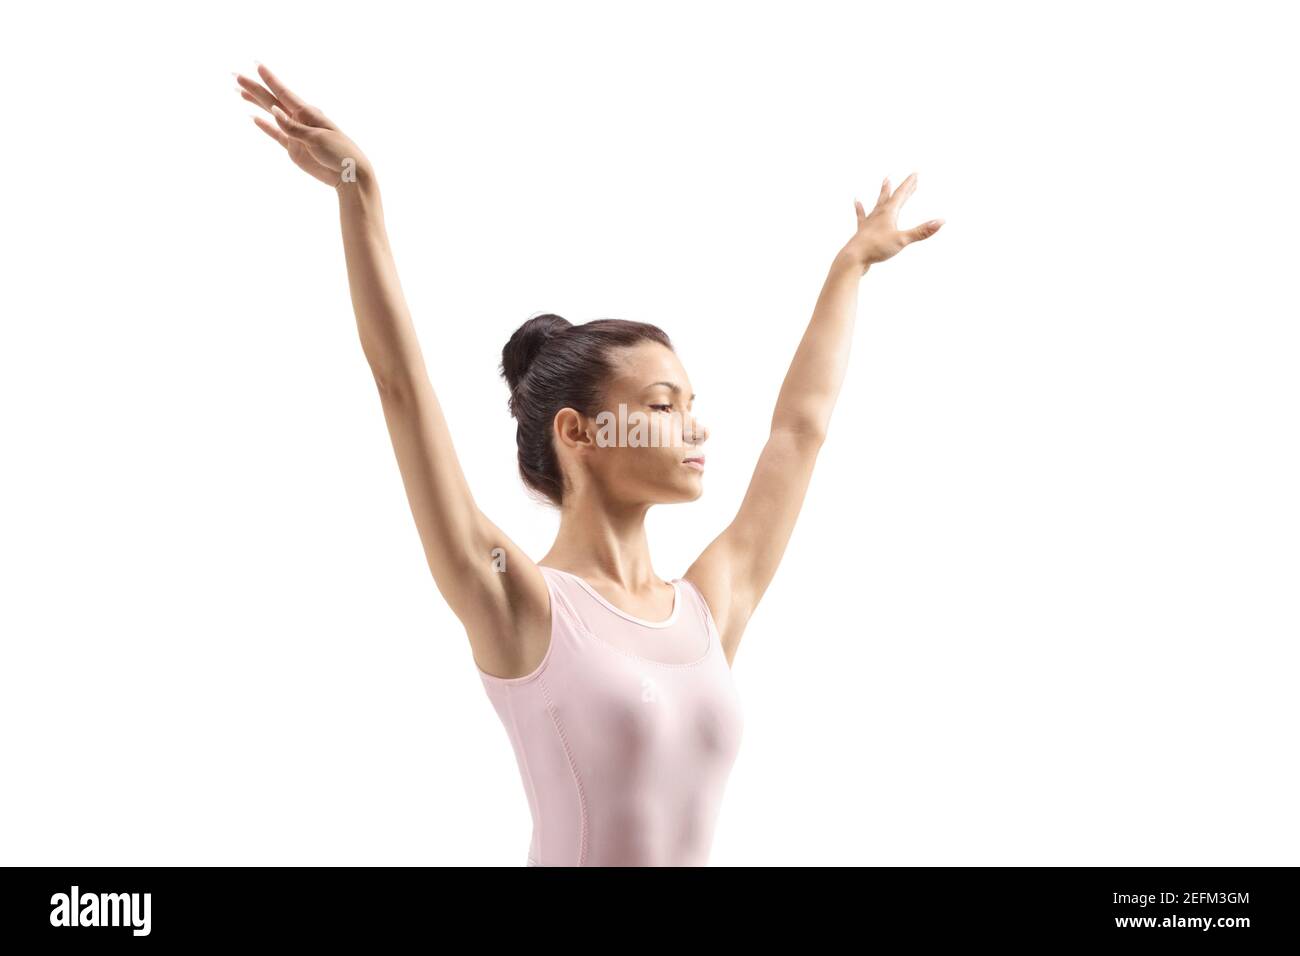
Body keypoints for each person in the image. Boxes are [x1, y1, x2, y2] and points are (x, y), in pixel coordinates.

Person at [235, 64, 944, 866]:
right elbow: (401, 388)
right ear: (579, 433)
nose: (694, 425)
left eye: (691, 402)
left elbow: (799, 433)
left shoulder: (708, 608)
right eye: (663, 404)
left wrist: (848, 266)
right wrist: (358, 194)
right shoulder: (519, 600)